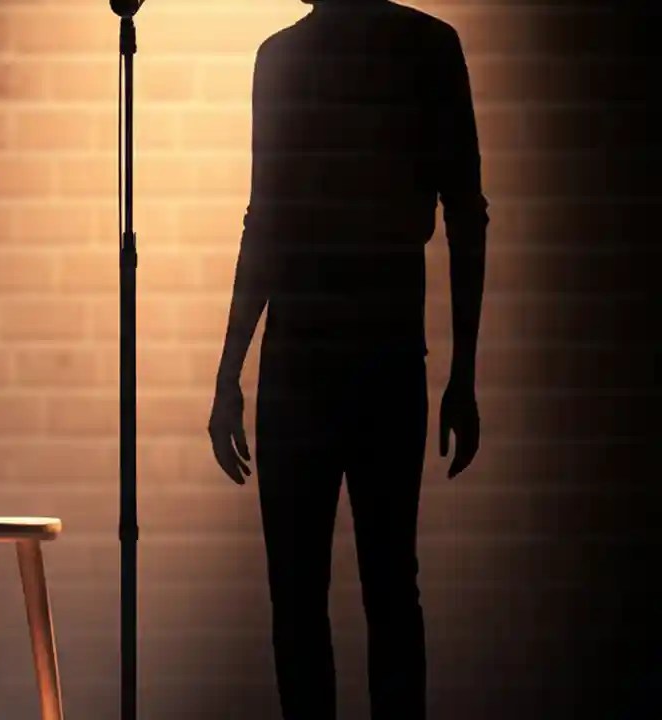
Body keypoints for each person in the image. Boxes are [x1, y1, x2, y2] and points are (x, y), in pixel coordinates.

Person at [206, 1, 488, 718]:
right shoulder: (428, 46)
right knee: (390, 584)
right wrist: (463, 373)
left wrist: (229, 372)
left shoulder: (284, 59)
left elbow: (264, 220)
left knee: (300, 595)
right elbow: (464, 216)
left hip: (301, 356)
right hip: (387, 349)